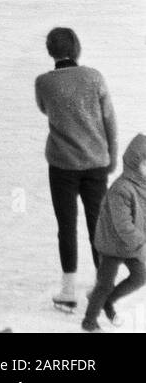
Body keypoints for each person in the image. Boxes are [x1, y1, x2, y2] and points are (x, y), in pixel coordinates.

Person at [35, 27, 117, 313]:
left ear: (50, 51)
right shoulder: (94, 77)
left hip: (62, 165)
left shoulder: (44, 83)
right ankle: (102, 285)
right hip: (96, 162)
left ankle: (68, 290)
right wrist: (112, 156)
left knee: (66, 225)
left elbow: (45, 109)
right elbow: (109, 120)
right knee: (98, 224)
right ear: (77, 47)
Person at [81, 134, 146, 332]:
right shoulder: (122, 189)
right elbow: (123, 225)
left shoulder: (142, 186)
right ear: (135, 163)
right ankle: (89, 321)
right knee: (104, 284)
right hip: (111, 244)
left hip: (129, 245)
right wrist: (142, 243)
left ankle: (107, 302)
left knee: (140, 276)